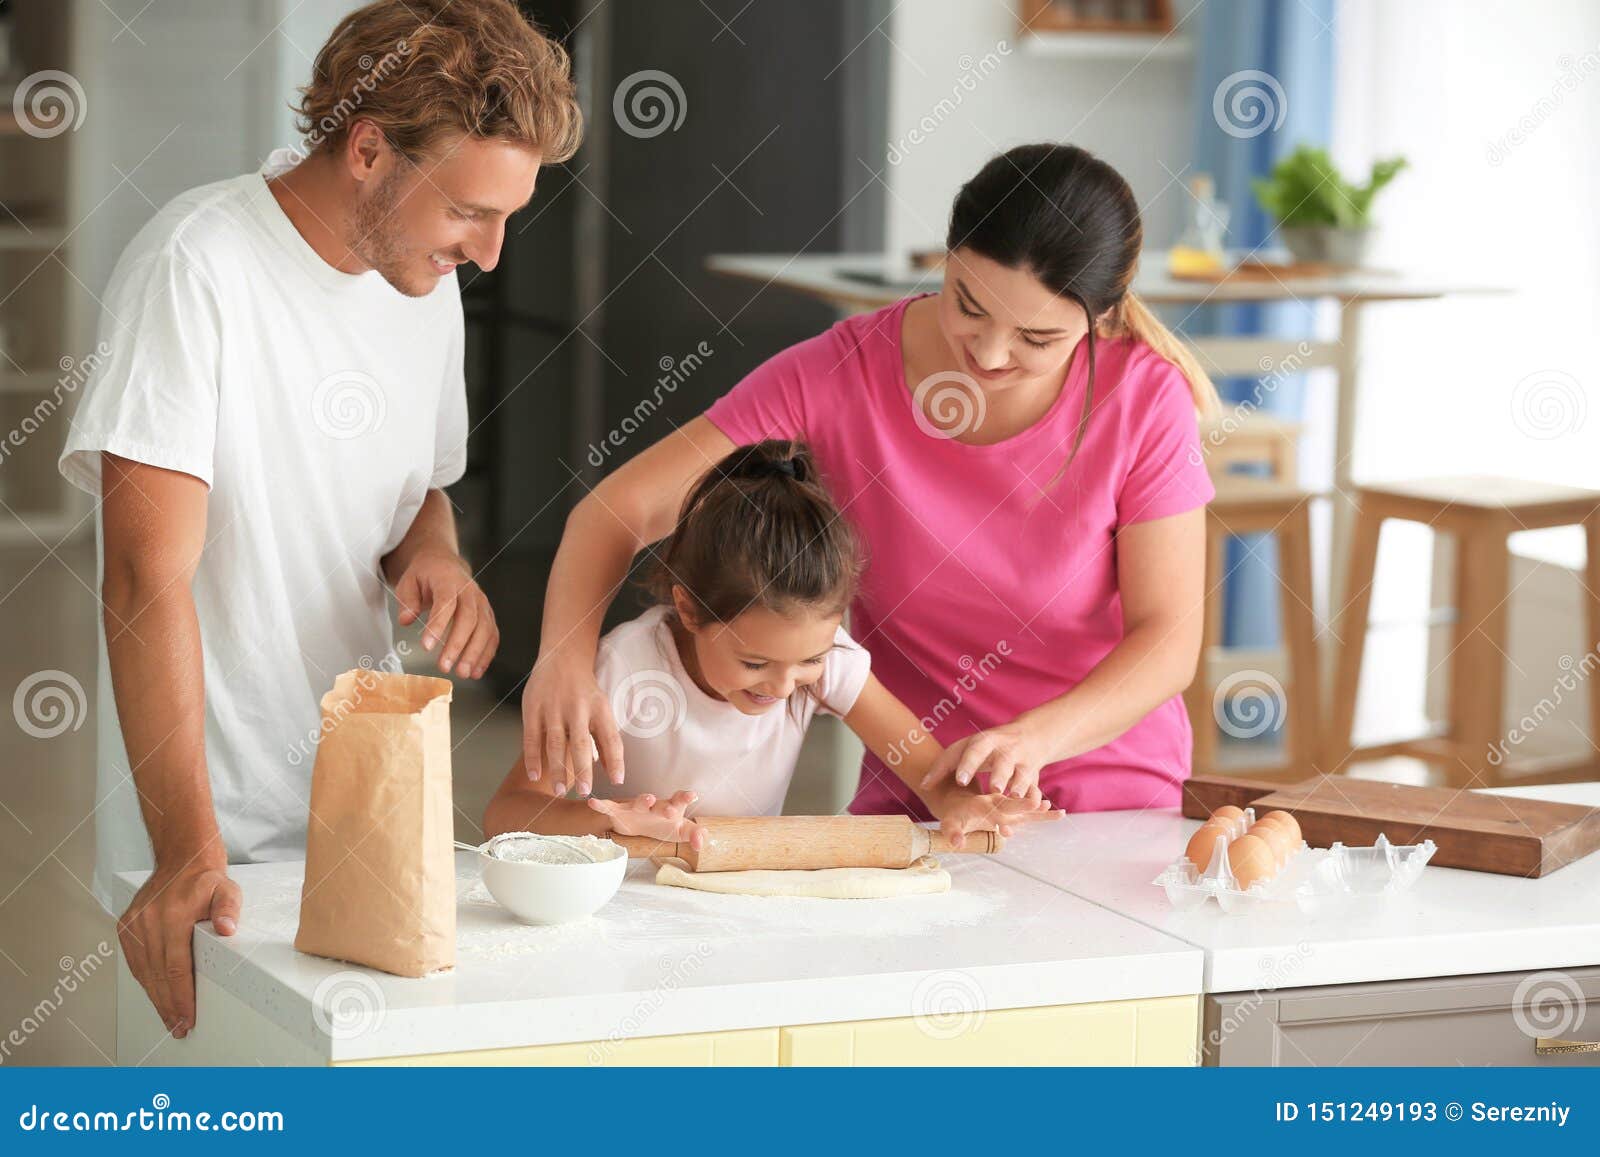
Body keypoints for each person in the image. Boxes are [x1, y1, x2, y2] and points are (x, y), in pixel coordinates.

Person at [57, 0, 581, 1040]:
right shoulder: (198, 269)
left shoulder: (420, 289)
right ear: (370, 148)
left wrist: (436, 556)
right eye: (469, 212)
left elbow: (412, 492)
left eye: (508, 216)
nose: (488, 254)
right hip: (209, 830)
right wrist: (185, 851)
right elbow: (142, 578)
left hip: (360, 813)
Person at [520, 142, 1217, 823]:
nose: (990, 352)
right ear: (944, 260)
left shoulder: (1146, 400)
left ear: (1099, 319)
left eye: (1037, 339)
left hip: (1110, 795)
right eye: (968, 304)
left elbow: (1168, 640)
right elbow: (621, 507)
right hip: (920, 794)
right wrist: (563, 660)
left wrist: (1033, 740)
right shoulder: (842, 373)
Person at [486, 442, 1057, 847]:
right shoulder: (622, 671)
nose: (784, 686)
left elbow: (924, 769)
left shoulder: (828, 664)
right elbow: (507, 815)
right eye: (754, 662)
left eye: (808, 660)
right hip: (624, 900)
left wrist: (964, 806)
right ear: (688, 609)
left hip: (732, 900)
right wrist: (611, 820)